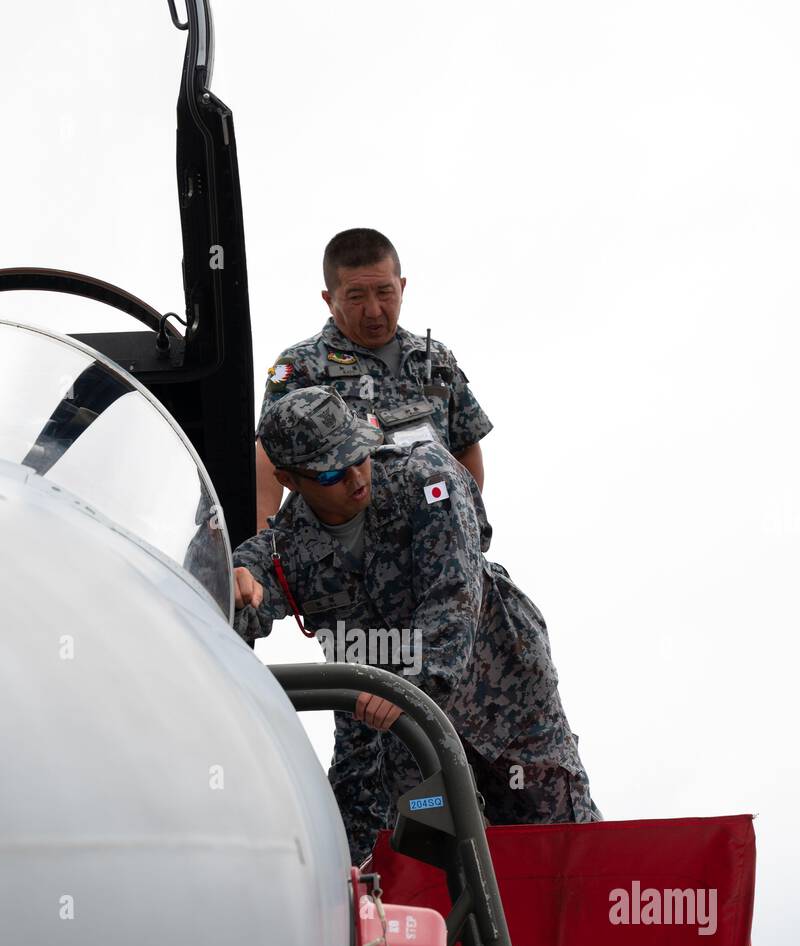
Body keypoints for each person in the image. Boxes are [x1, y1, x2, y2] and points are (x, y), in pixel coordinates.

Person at [233, 386, 600, 865]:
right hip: (396, 734)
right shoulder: (289, 546)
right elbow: (244, 587)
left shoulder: (426, 478)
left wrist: (410, 689)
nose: (355, 477)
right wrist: (236, 586)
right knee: (407, 860)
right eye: (331, 472)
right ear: (288, 479)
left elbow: (453, 597)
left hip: (503, 699)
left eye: (358, 456)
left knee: (562, 845)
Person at [255, 227, 492, 531]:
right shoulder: (303, 367)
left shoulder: (436, 359)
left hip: (436, 538)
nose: (374, 310)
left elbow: (466, 446)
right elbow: (269, 457)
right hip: (346, 545)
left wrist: (466, 524)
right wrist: (262, 537)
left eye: (384, 292)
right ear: (329, 299)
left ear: (402, 287)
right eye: (356, 297)